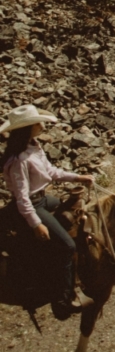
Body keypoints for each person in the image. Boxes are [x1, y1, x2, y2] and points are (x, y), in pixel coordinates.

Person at [2, 105, 94, 319]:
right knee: (66, 245)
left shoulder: (34, 146)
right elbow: (22, 197)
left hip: (42, 199)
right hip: (30, 206)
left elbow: (51, 172)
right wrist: (36, 224)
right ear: (28, 128)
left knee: (73, 211)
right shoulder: (18, 161)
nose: (43, 125)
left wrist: (78, 177)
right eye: (39, 122)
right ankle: (63, 299)